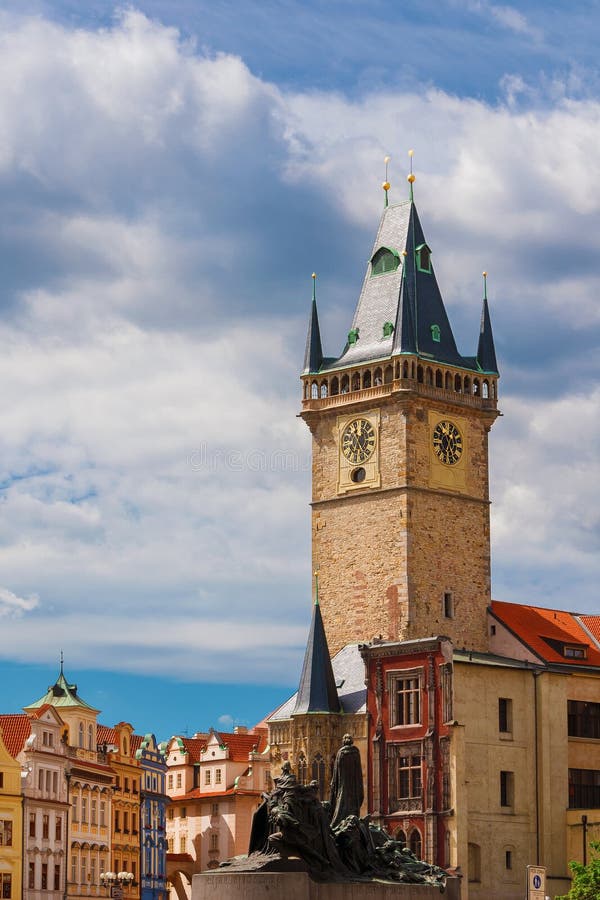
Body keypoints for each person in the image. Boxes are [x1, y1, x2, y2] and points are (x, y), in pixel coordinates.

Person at [329, 734, 364, 828]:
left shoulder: (340, 753)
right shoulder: (356, 752)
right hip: (354, 787)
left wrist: (333, 785)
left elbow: (336, 772)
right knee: (353, 808)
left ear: (343, 741)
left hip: (343, 787)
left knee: (341, 806)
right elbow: (359, 771)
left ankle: (339, 824)